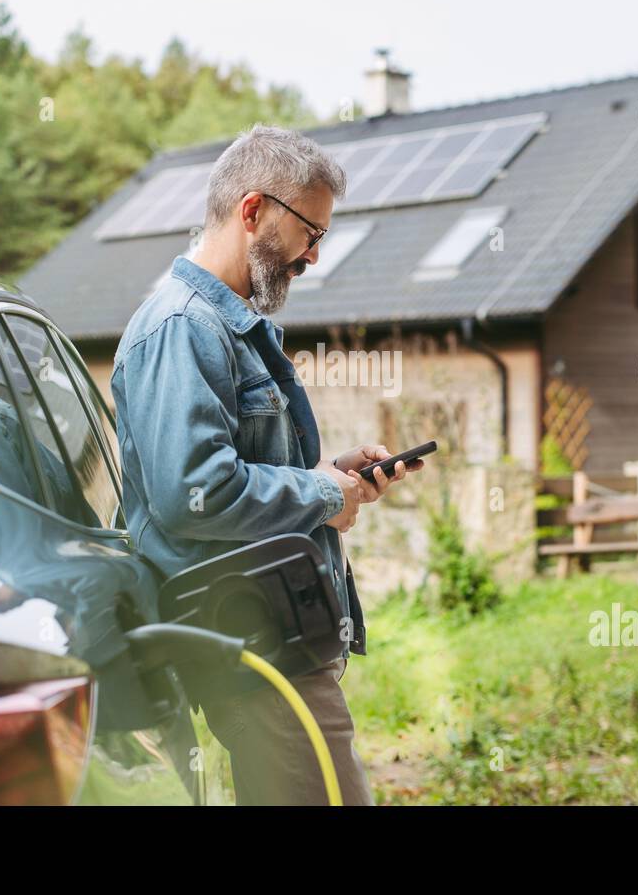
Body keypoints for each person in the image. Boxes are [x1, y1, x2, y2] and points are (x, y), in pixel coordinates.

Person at [110, 124, 422, 805]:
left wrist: (333, 474)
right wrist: (319, 490)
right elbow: (193, 492)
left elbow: (234, 466)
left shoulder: (225, 324)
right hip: (247, 644)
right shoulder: (184, 326)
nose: (313, 256)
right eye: (310, 232)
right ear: (252, 211)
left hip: (270, 635)